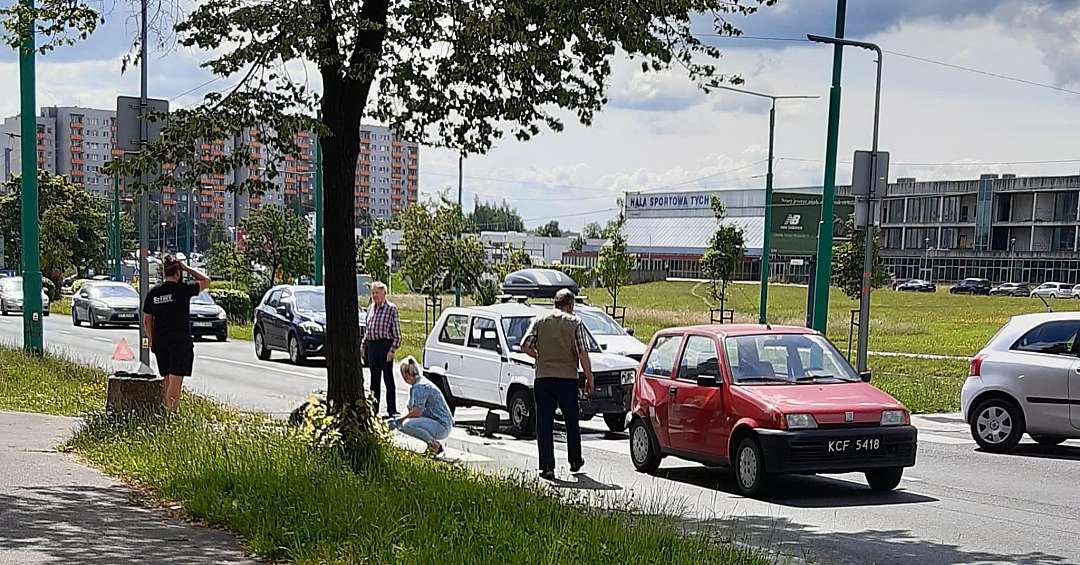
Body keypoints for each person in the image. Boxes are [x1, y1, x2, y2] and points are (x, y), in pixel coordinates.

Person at [520, 288, 594, 481]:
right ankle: (575, 460)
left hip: (543, 379)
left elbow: (524, 345)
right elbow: (582, 353)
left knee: (544, 423)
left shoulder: (540, 321)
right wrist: (589, 377)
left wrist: (539, 356)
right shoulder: (575, 323)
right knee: (571, 421)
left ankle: (547, 467)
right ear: (569, 305)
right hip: (567, 379)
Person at [143, 256, 210, 410]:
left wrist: (152, 340)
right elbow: (206, 281)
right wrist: (186, 268)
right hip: (179, 342)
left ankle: (166, 409)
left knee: (167, 379)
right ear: (178, 274)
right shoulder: (183, 290)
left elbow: (147, 320)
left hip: (161, 342)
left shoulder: (154, 293)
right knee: (175, 380)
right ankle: (171, 413)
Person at [395, 356, 454, 457]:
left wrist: (401, 420)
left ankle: (433, 445)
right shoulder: (416, 385)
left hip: (442, 425)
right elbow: (409, 407)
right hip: (436, 421)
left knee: (406, 425)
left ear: (407, 374)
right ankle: (432, 446)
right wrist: (399, 418)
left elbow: (417, 412)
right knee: (403, 424)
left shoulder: (420, 387)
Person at [361, 281, 401, 416]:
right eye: (373, 293)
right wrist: (363, 346)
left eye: (377, 293)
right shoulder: (371, 308)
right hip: (372, 346)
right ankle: (374, 409)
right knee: (374, 380)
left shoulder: (391, 309)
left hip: (385, 345)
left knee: (388, 379)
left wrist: (392, 350)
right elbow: (367, 329)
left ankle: (392, 409)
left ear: (384, 293)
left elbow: (397, 334)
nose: (375, 296)